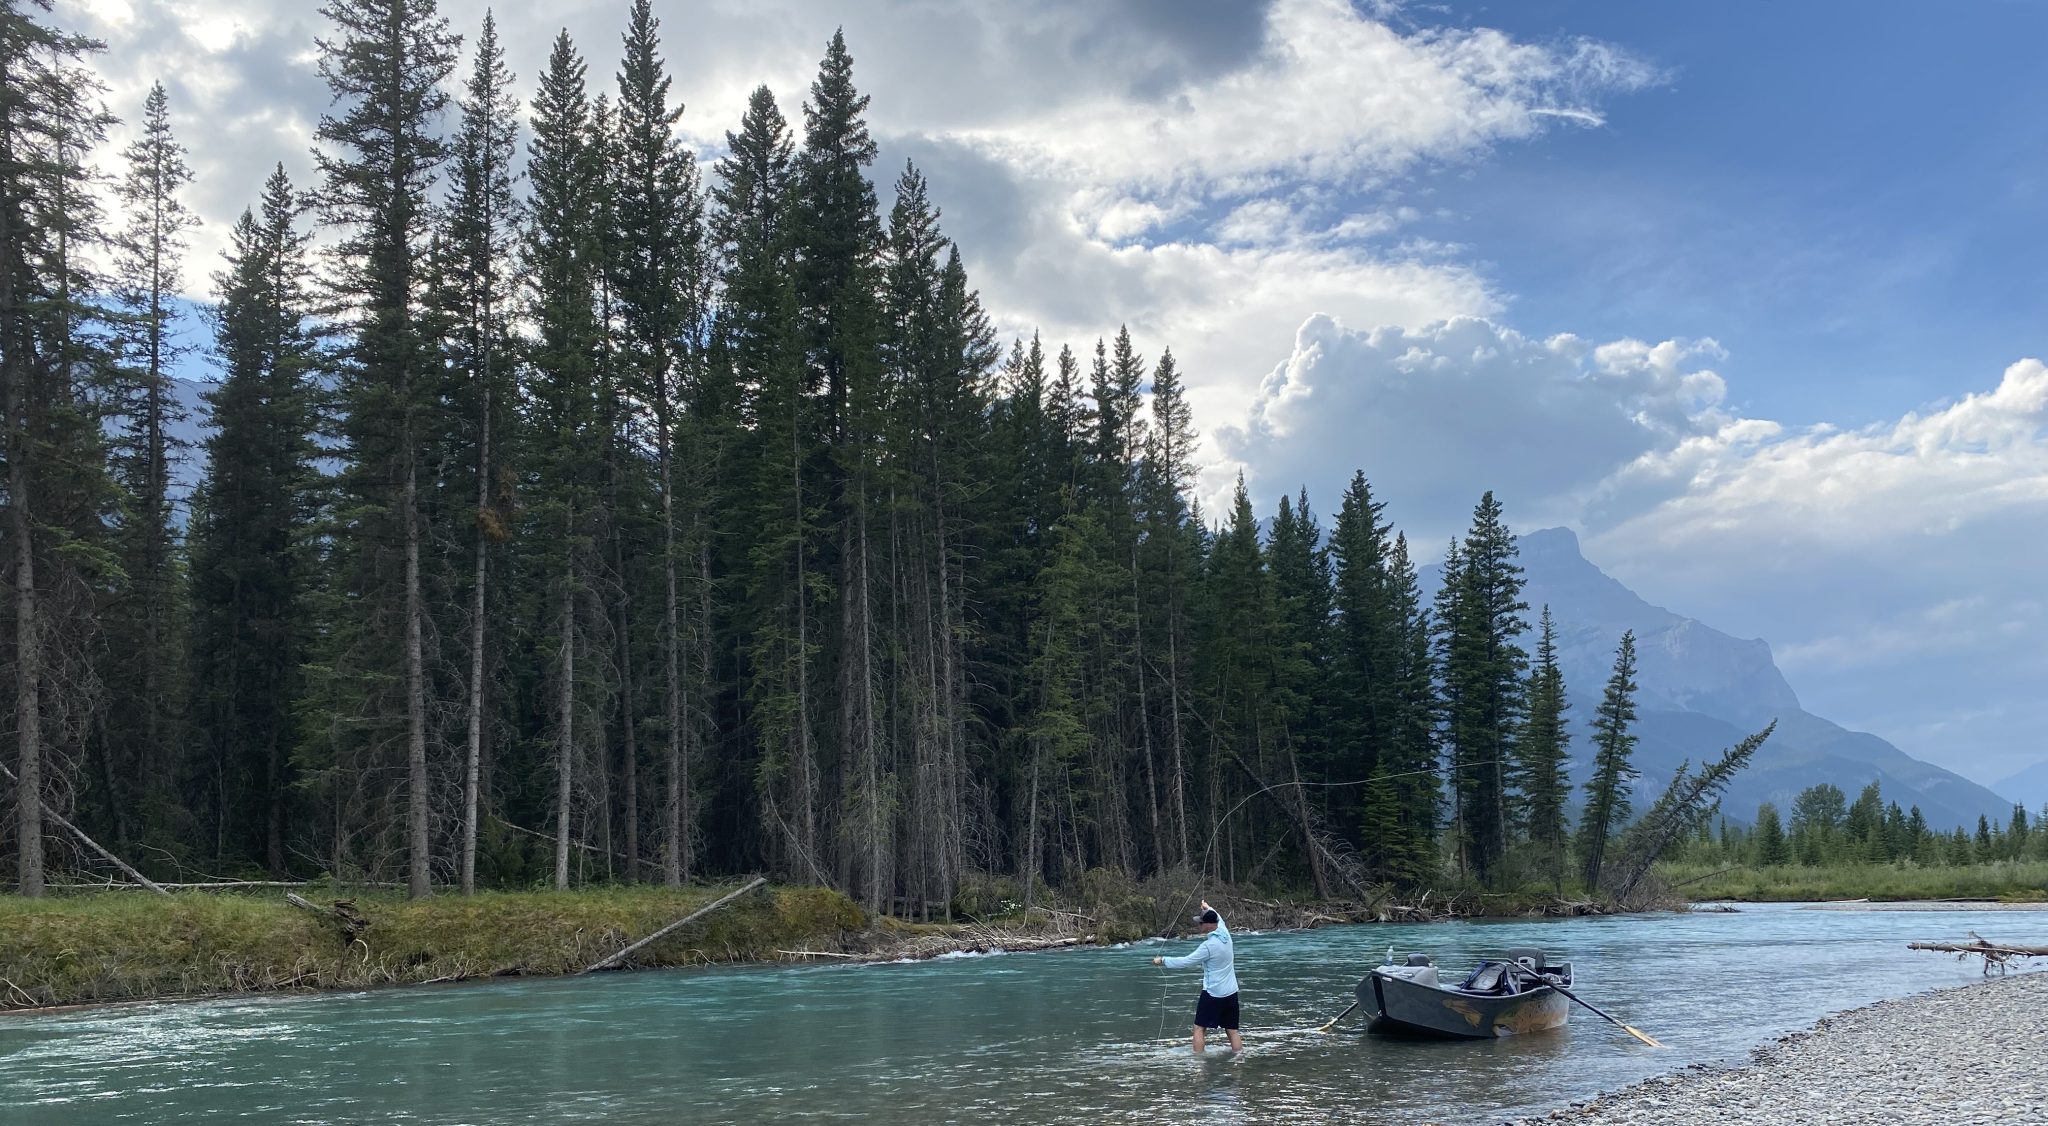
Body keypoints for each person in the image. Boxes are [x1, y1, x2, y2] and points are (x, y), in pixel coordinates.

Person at [1150, 899, 1241, 1054]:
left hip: (1213, 993)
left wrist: (1163, 960)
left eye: (1201, 922)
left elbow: (1186, 961)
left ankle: (1199, 1064)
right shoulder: (1225, 933)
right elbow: (1219, 917)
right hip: (1231, 992)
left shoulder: (1208, 946)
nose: (1199, 925)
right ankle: (1239, 1061)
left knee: (1199, 1028)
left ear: (1209, 925)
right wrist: (1208, 907)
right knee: (1232, 1030)